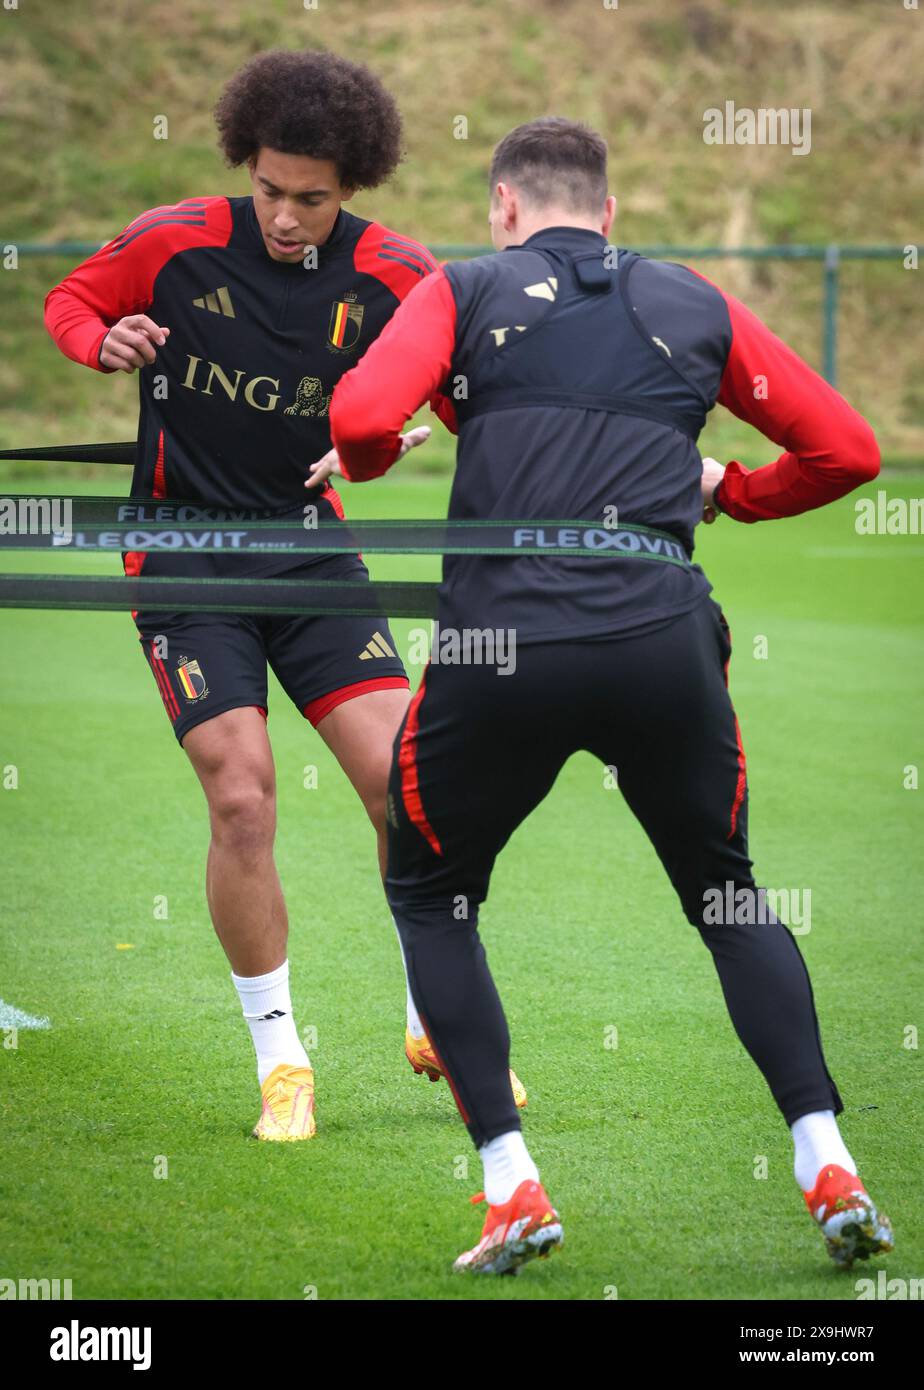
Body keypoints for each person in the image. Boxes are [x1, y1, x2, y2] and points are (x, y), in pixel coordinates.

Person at [313, 116, 894, 1273]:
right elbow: (852, 454)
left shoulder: (464, 286)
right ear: (610, 213)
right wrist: (731, 491)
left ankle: (511, 1184)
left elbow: (362, 423)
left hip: (503, 649)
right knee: (725, 896)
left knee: (430, 888)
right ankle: (827, 1156)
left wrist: (391, 455)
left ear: (503, 208)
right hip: (661, 634)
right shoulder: (692, 302)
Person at [44, 48, 525, 1143]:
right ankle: (283, 1065)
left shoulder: (400, 275)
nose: (287, 216)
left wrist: (390, 442)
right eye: (269, 190)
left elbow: (466, 405)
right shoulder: (173, 241)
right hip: (181, 551)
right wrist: (100, 340)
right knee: (243, 797)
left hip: (311, 556)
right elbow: (71, 300)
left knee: (410, 786)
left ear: (350, 185)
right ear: (244, 166)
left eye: (311, 198)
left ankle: (432, 1020)